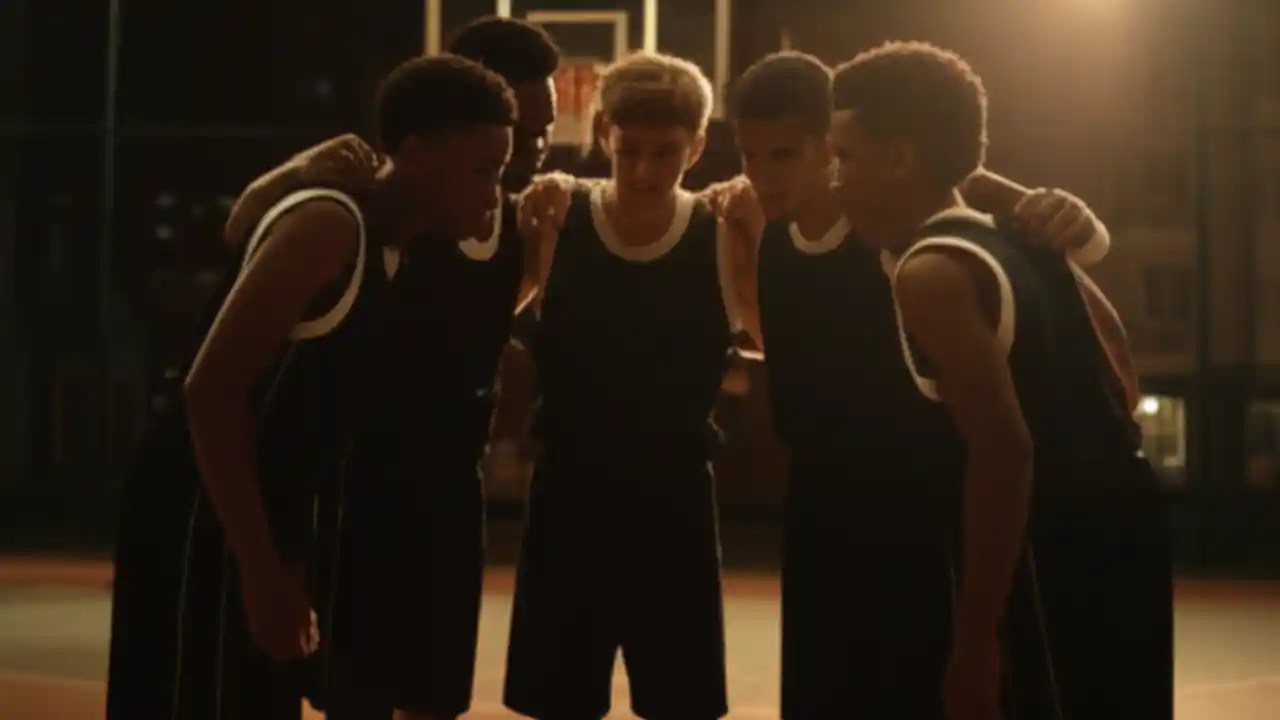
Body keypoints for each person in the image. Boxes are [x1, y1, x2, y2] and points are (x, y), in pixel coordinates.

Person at [105, 54, 516, 720]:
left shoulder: (396, 245)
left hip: (266, 514)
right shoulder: (330, 226)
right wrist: (260, 566)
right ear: (413, 155)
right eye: (482, 170)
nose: (495, 191)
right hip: (202, 509)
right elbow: (211, 389)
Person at [216, 22, 559, 715]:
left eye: (544, 128)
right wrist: (293, 172)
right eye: (523, 125)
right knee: (348, 693)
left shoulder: (517, 216)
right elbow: (249, 229)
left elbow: (491, 314)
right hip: (360, 489)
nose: (536, 143)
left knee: (436, 696)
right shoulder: (386, 195)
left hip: (451, 492)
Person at [829, 40, 1171, 719]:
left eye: (846, 156)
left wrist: (977, 637)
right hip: (1126, 548)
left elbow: (1005, 450)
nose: (835, 179)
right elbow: (1122, 374)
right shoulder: (1020, 238)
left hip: (1047, 560)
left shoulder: (931, 274)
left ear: (900, 157)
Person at [501, 51, 740, 720]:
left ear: (697, 145)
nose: (641, 171)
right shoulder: (553, 219)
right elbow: (478, 318)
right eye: (628, 149)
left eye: (663, 153)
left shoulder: (722, 232)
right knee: (557, 704)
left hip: (675, 510)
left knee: (681, 705)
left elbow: (784, 342)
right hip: (569, 503)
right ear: (603, 132)